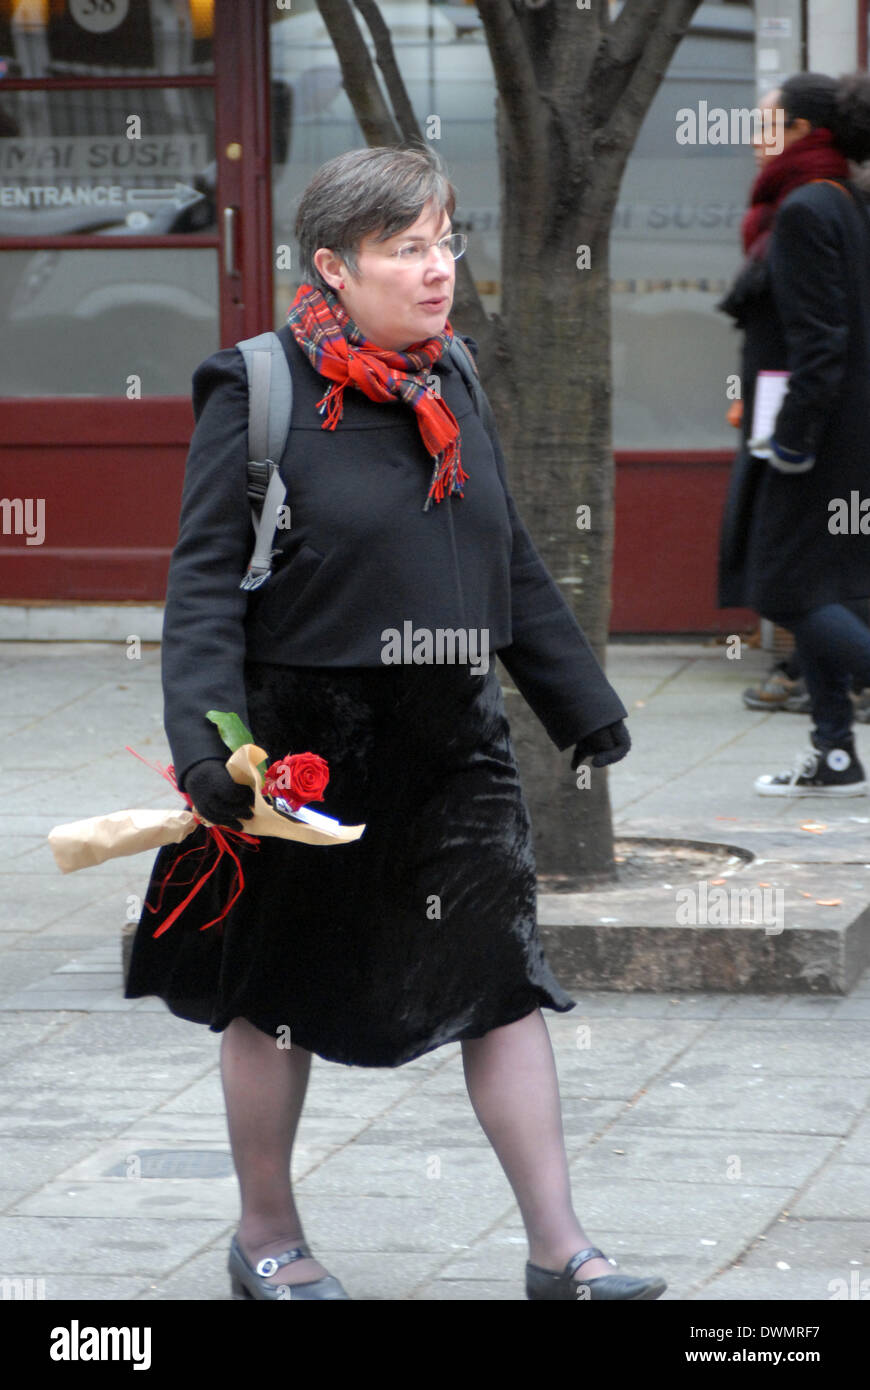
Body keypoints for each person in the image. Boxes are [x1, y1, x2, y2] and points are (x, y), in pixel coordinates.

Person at [124, 145, 665, 1301]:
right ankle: (268, 1236)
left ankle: (561, 1248)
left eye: (446, 242)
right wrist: (211, 747)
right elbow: (205, 587)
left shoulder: (451, 376)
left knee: (502, 979)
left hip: (451, 741)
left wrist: (580, 702)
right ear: (334, 264)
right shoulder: (257, 386)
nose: (438, 270)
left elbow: (501, 550)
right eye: (407, 248)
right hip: (304, 751)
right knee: (275, 994)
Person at [717, 72, 870, 795]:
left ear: (805, 132)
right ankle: (835, 752)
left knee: (783, 585)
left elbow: (820, 341)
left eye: (767, 124)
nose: (753, 137)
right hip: (831, 432)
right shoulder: (841, 201)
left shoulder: (808, 209)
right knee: (819, 585)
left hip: (813, 439)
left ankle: (836, 744)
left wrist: (793, 443)